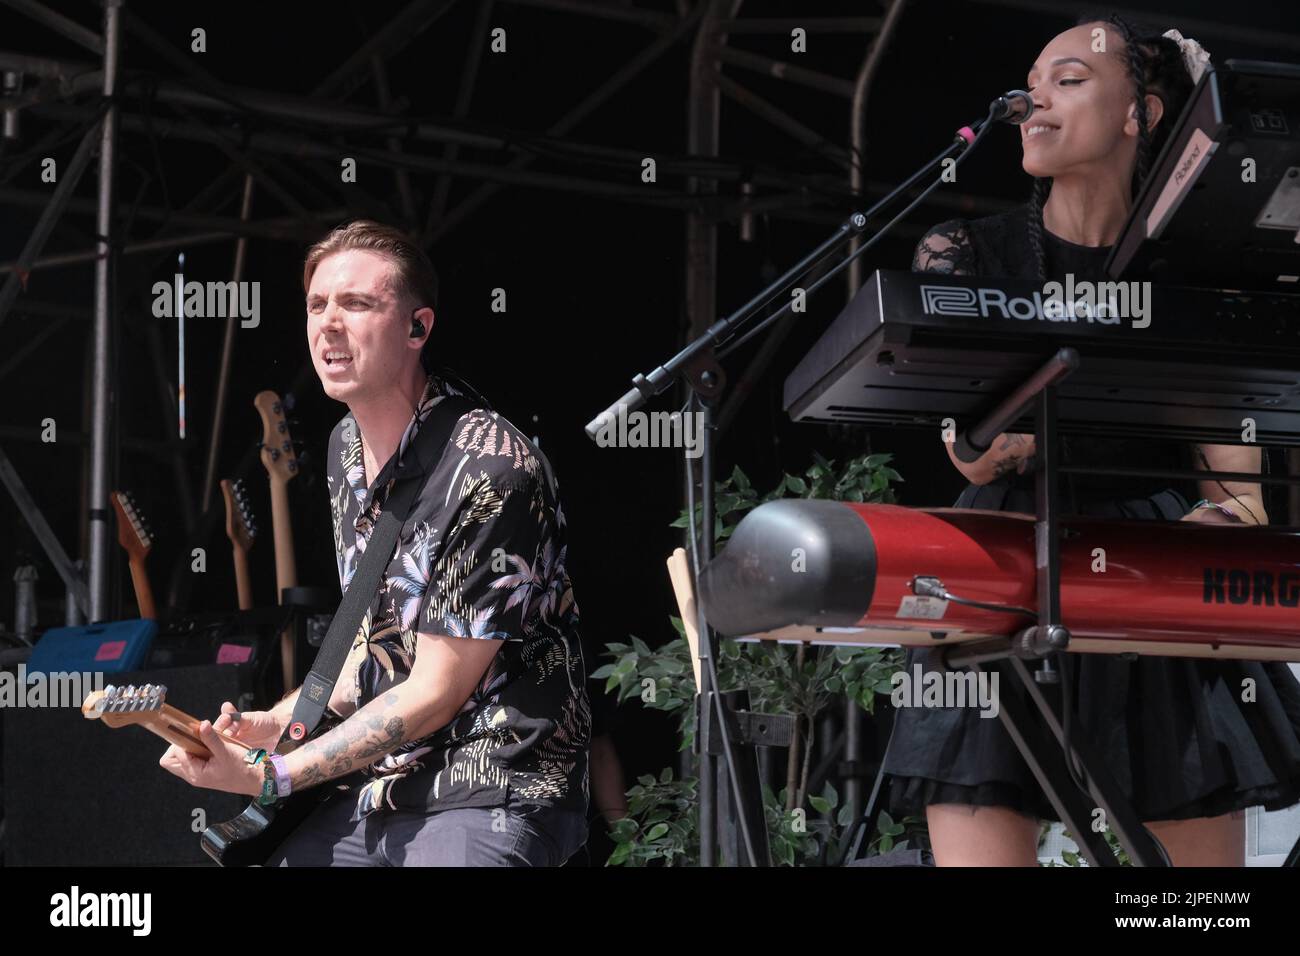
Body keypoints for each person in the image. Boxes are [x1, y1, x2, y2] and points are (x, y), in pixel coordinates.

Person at [881, 14, 1300, 866]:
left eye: (1067, 80)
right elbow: (975, 453)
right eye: (1031, 82)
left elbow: (1239, 495)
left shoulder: (1191, 274)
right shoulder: (968, 251)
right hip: (1005, 560)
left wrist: (1216, 531)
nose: (1034, 97)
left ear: (1142, 115)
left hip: (1150, 569)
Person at [161, 220, 591, 866]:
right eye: (316, 305)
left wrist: (277, 774)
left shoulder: (492, 471)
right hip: (382, 790)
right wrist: (278, 724)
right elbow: (375, 642)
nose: (328, 323)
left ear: (418, 328)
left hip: (491, 786)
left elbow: (434, 691)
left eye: (356, 303)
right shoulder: (343, 452)